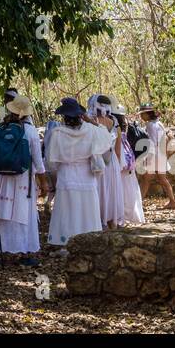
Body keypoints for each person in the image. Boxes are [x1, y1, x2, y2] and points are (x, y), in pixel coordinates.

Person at [0, 94, 46, 266]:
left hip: (1, 179)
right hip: (22, 181)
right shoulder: (30, 131)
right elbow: (38, 162)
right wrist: (44, 182)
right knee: (23, 215)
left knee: (1, 213)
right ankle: (25, 253)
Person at [45, 97, 112, 248]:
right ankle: (89, 242)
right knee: (86, 210)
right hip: (86, 176)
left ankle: (66, 243)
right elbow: (107, 136)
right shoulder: (91, 131)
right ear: (81, 115)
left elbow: (51, 162)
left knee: (67, 211)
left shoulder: (57, 133)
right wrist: (91, 121)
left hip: (66, 175)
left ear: (64, 116)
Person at [86, 94, 124, 229]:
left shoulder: (90, 122)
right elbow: (118, 150)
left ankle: (99, 221)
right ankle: (111, 221)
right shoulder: (114, 123)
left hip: (97, 161)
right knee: (110, 191)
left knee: (99, 190)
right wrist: (118, 167)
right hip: (112, 160)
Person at [137, 105, 175, 208]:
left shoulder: (150, 125)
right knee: (162, 179)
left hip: (154, 155)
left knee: (146, 179)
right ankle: (172, 201)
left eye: (142, 114)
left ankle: (139, 204)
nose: (141, 116)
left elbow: (152, 143)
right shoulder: (158, 123)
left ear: (147, 114)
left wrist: (148, 158)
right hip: (161, 154)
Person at [111, 102, 146, 223]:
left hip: (121, 161)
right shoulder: (128, 126)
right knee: (131, 189)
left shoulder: (116, 129)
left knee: (121, 190)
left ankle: (123, 216)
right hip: (129, 162)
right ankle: (133, 215)